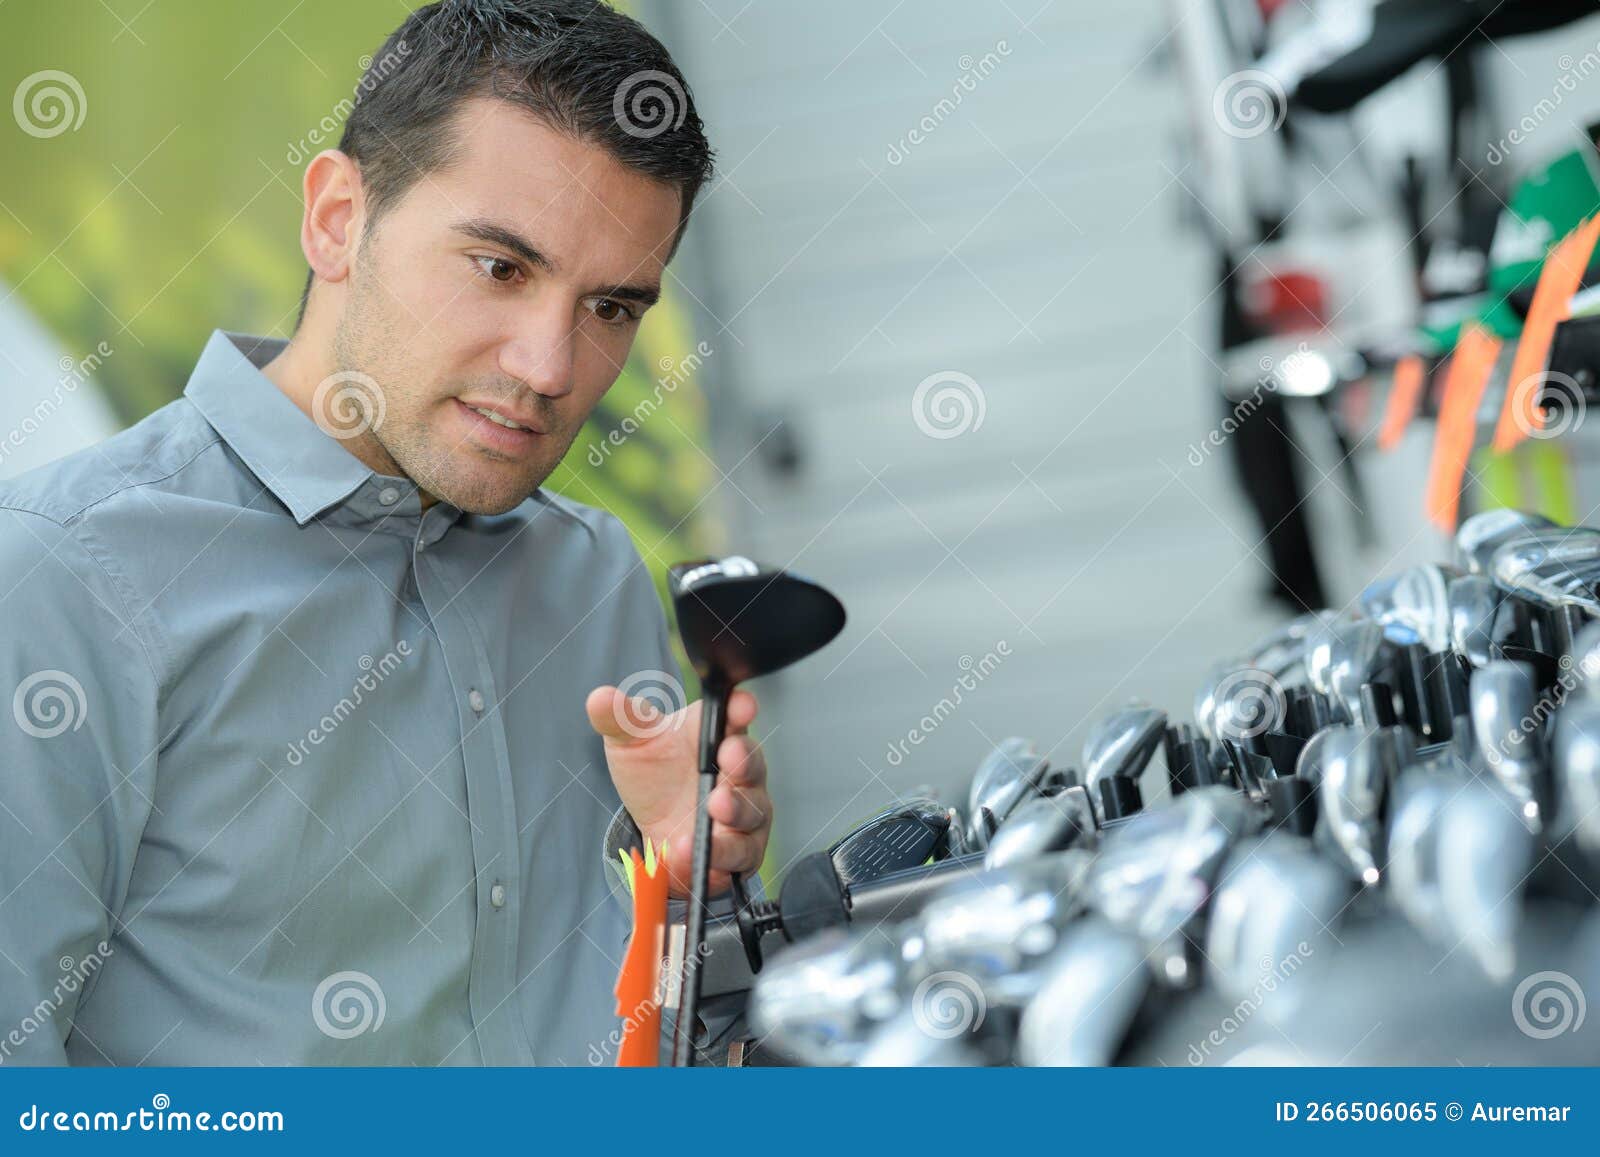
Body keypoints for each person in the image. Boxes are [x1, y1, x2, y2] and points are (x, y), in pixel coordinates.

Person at [0, 0, 771, 1066]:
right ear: (335, 218)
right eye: (501, 267)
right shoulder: (62, 580)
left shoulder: (590, 574)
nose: (549, 367)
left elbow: (669, 1037)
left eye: (610, 308)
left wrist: (689, 891)